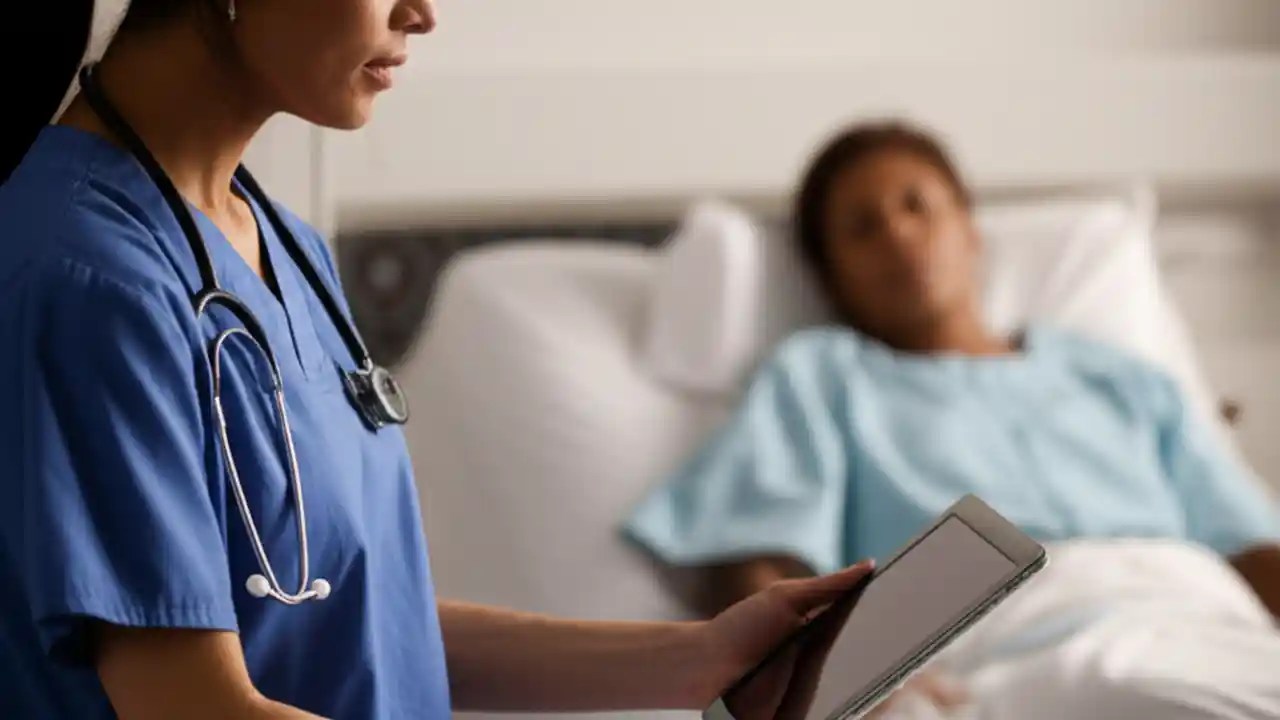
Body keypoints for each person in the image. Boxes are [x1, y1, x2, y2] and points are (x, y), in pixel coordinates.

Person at [0, 1, 878, 718]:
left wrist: (699, 659)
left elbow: (365, 628)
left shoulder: (283, 245)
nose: (422, 14)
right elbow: (190, 706)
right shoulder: (88, 277)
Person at [624, 122, 1280, 718]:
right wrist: (837, 681)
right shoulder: (823, 376)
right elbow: (758, 566)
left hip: (1199, 617)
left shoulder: (1121, 377)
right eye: (862, 226)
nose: (898, 234)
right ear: (831, 279)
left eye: (916, 205)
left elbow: (1253, 548)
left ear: (969, 230)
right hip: (1001, 645)